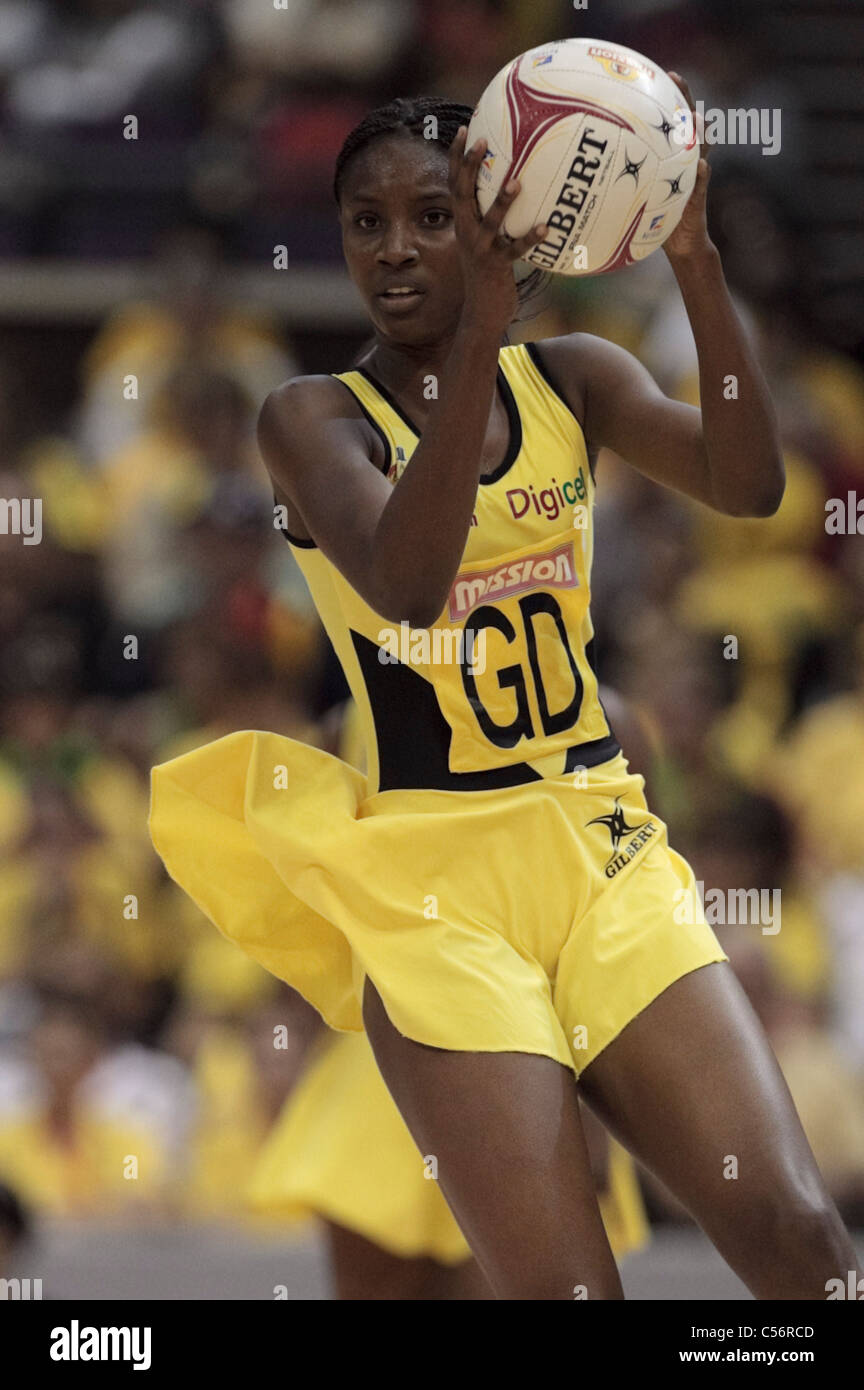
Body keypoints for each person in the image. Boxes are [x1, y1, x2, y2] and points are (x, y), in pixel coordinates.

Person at [150, 86, 862, 1299]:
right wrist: (479, 331)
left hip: (597, 842)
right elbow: (409, 582)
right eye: (367, 222)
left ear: (510, 224)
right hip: (435, 883)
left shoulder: (576, 378)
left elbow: (748, 487)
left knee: (805, 1242)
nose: (398, 248)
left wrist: (693, 260)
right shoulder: (313, 418)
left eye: (436, 215)